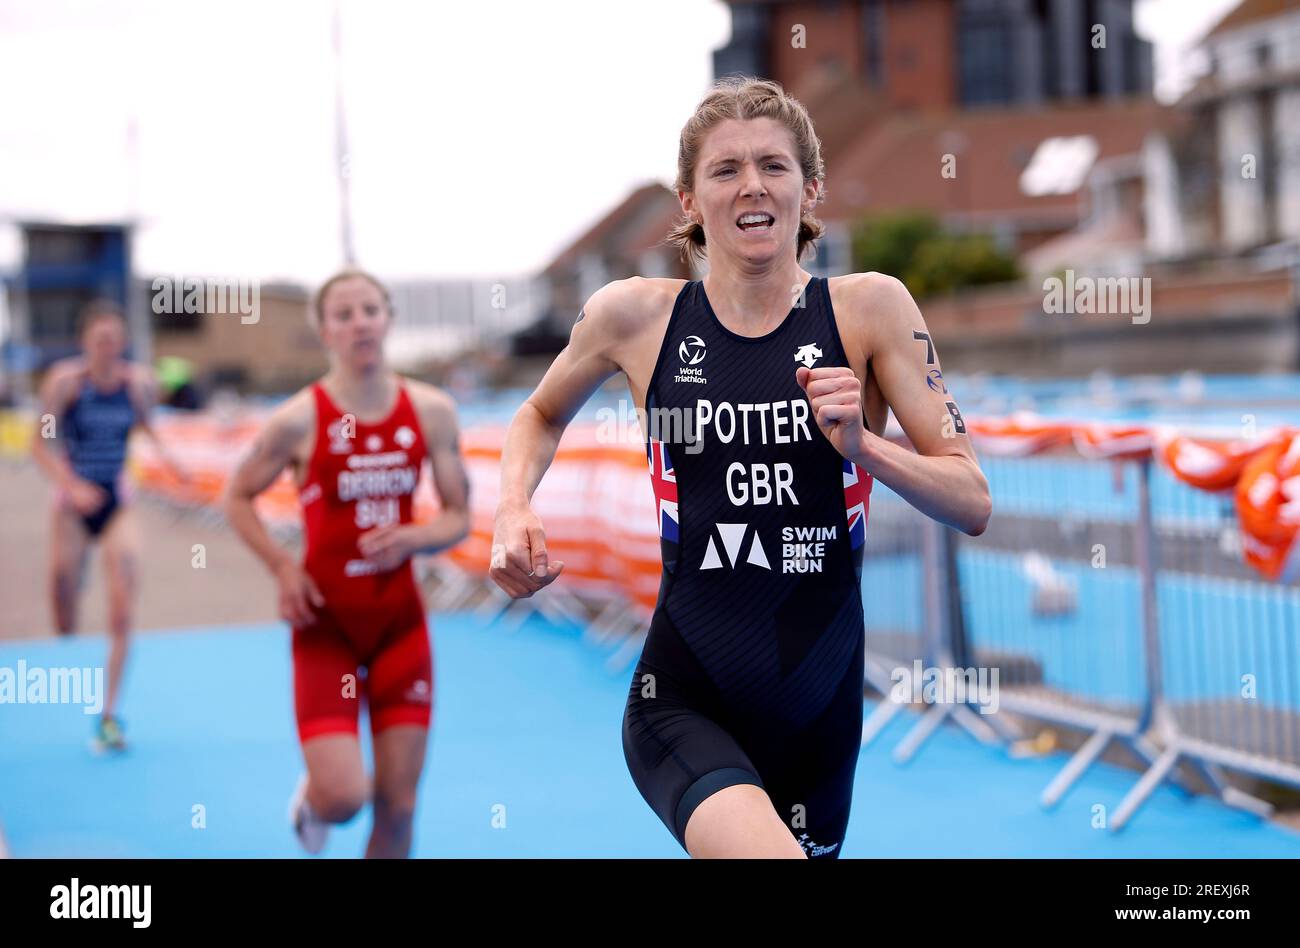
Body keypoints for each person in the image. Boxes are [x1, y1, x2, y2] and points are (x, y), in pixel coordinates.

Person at [489, 77, 991, 858]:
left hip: (821, 703)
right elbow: (539, 413)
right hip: (682, 695)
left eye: (773, 166)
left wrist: (866, 447)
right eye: (726, 170)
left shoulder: (870, 309)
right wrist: (513, 508)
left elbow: (972, 499)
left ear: (810, 188)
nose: (751, 185)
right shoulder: (635, 316)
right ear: (689, 200)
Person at [223, 269, 470, 858]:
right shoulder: (297, 420)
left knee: (399, 806)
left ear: (387, 319)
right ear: (324, 331)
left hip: (398, 629)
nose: (359, 323)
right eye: (343, 314)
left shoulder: (431, 411)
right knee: (344, 798)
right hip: (325, 628)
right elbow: (235, 496)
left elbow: (459, 516)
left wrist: (413, 538)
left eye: (369, 310)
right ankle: (313, 800)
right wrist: (283, 569)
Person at [30, 299, 188, 753]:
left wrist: (175, 465)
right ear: (85, 343)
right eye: (101, 340)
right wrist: (72, 486)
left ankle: (108, 714)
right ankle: (69, 611)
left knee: (122, 607)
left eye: (116, 340)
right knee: (62, 596)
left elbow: (147, 428)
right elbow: (40, 445)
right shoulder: (64, 384)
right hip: (71, 504)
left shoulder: (137, 385)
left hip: (117, 503)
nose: (109, 347)